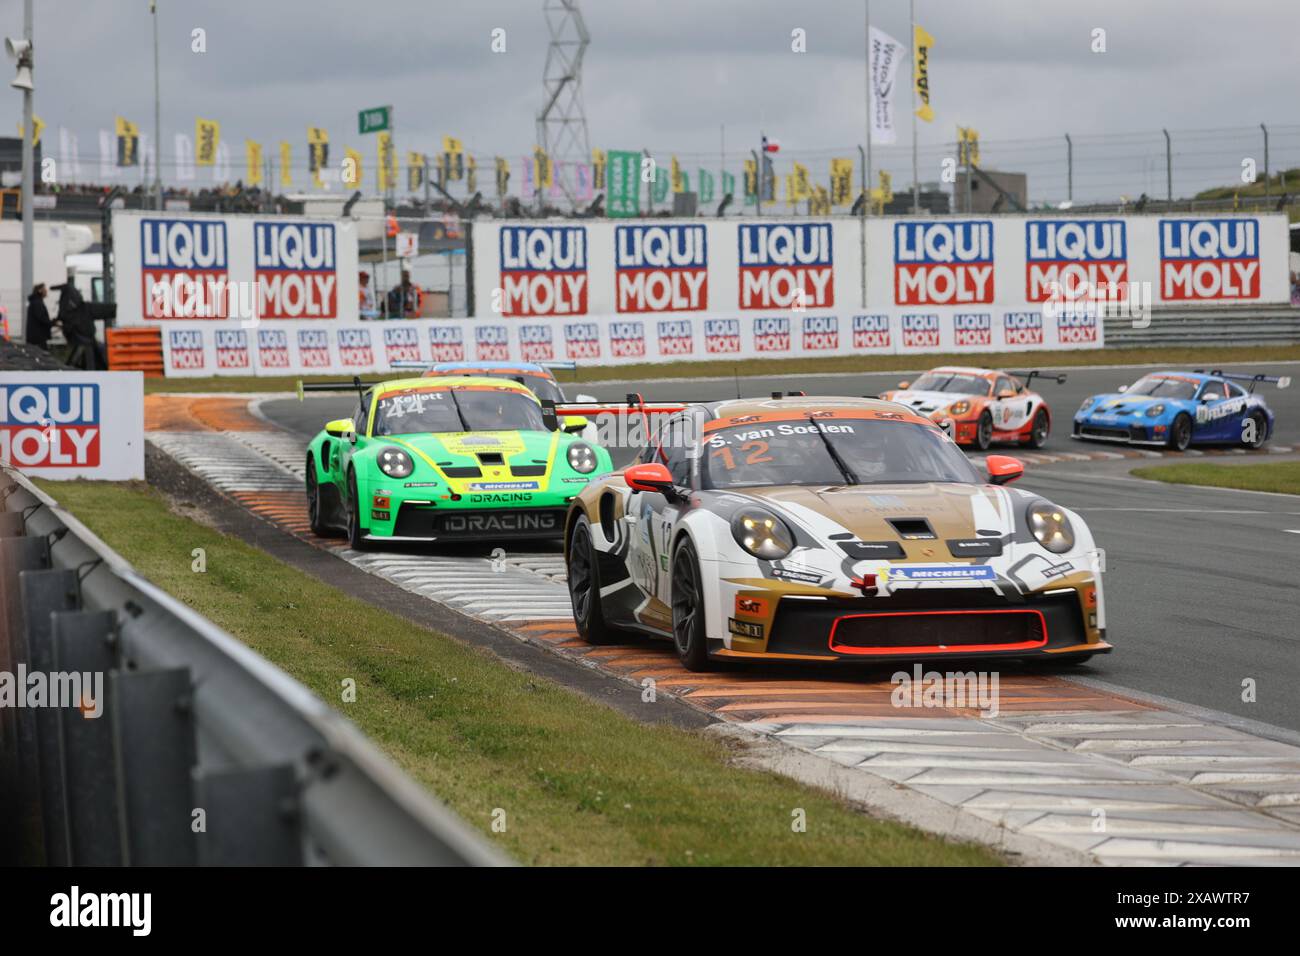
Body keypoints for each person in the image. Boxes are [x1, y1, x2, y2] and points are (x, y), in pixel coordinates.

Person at [52, 277, 106, 370]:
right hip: (85, 336)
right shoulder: (79, 304)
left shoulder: (69, 304)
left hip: (80, 336)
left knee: (80, 354)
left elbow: (65, 316)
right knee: (87, 356)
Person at [25, 283, 55, 350]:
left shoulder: (35, 301)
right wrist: (53, 323)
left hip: (36, 336)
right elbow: (41, 318)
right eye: (45, 289)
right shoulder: (37, 302)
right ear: (40, 290)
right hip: (37, 338)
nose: (46, 291)